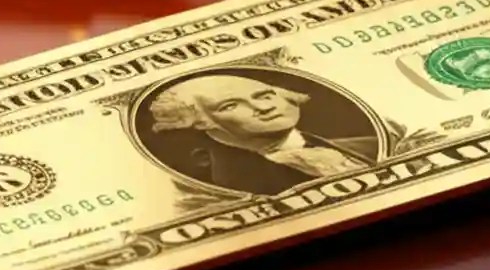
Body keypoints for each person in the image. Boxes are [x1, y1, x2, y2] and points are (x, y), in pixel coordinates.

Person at [149, 74, 378, 195]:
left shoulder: (371, 145)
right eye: (230, 106)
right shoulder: (220, 186)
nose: (264, 107)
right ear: (200, 122)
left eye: (265, 96)